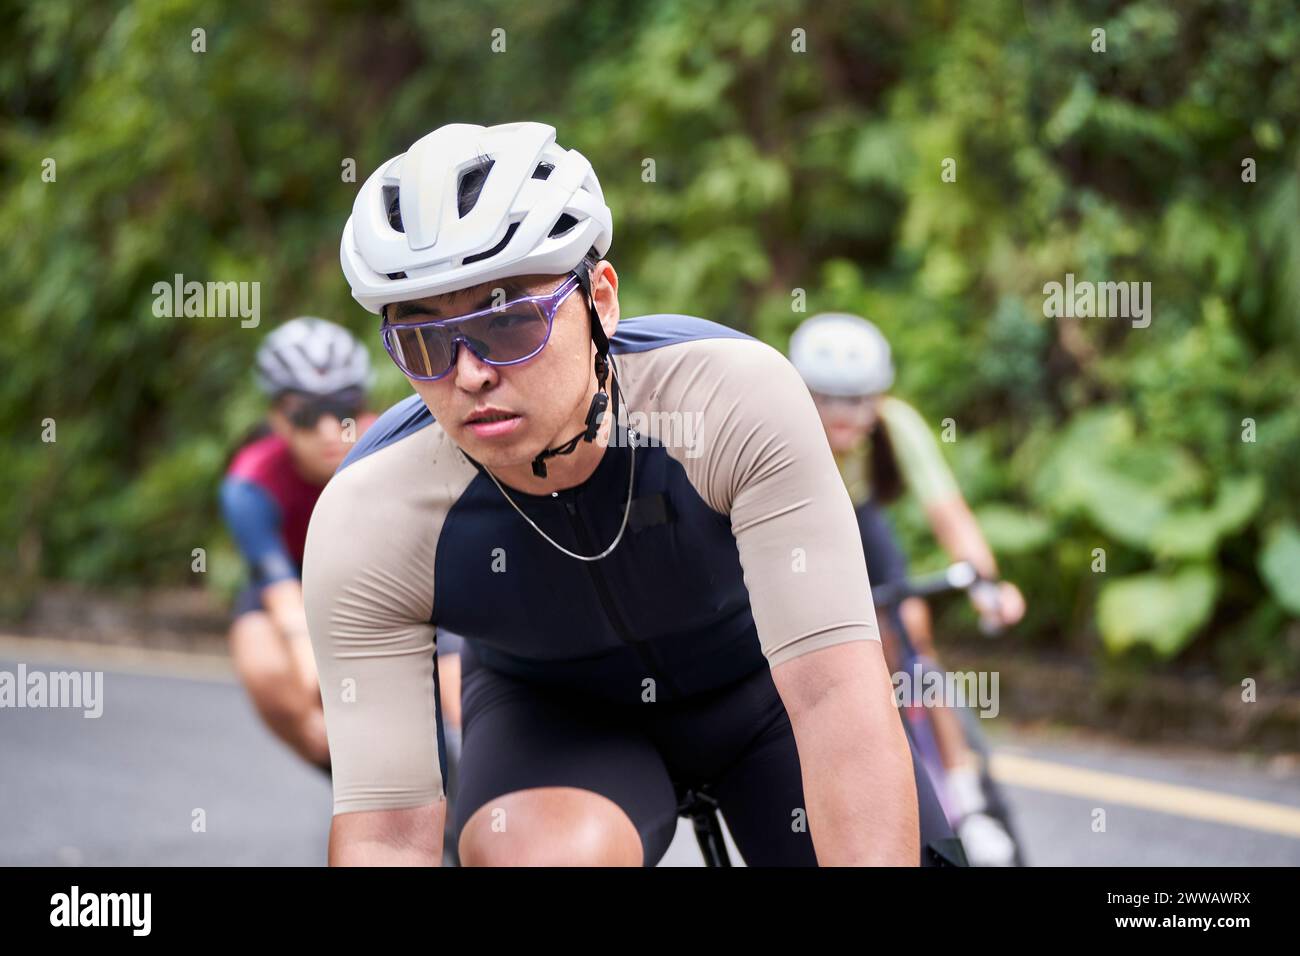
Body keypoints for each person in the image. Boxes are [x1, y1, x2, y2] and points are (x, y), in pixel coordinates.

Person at [304, 120, 963, 867]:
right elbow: (386, 839)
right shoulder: (369, 516)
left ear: (602, 301)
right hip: (552, 722)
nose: (468, 373)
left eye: (509, 320)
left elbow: (836, 700)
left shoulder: (732, 401)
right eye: (424, 341)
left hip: (770, 688)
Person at [789, 311, 1025, 865]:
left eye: (859, 400)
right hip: (802, 530)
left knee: (911, 633)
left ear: (879, 396)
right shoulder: (784, 424)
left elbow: (949, 513)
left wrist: (986, 583)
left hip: (864, 524)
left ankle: (965, 795)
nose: (844, 416)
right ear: (804, 394)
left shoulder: (898, 425)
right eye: (827, 399)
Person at [221, 318, 468, 774]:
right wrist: (318, 684)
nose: (330, 429)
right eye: (307, 414)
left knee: (459, 682)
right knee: (265, 667)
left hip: (391, 568)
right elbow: (283, 599)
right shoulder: (250, 482)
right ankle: (360, 781)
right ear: (277, 418)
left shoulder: (397, 441)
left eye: (345, 409)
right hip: (297, 580)